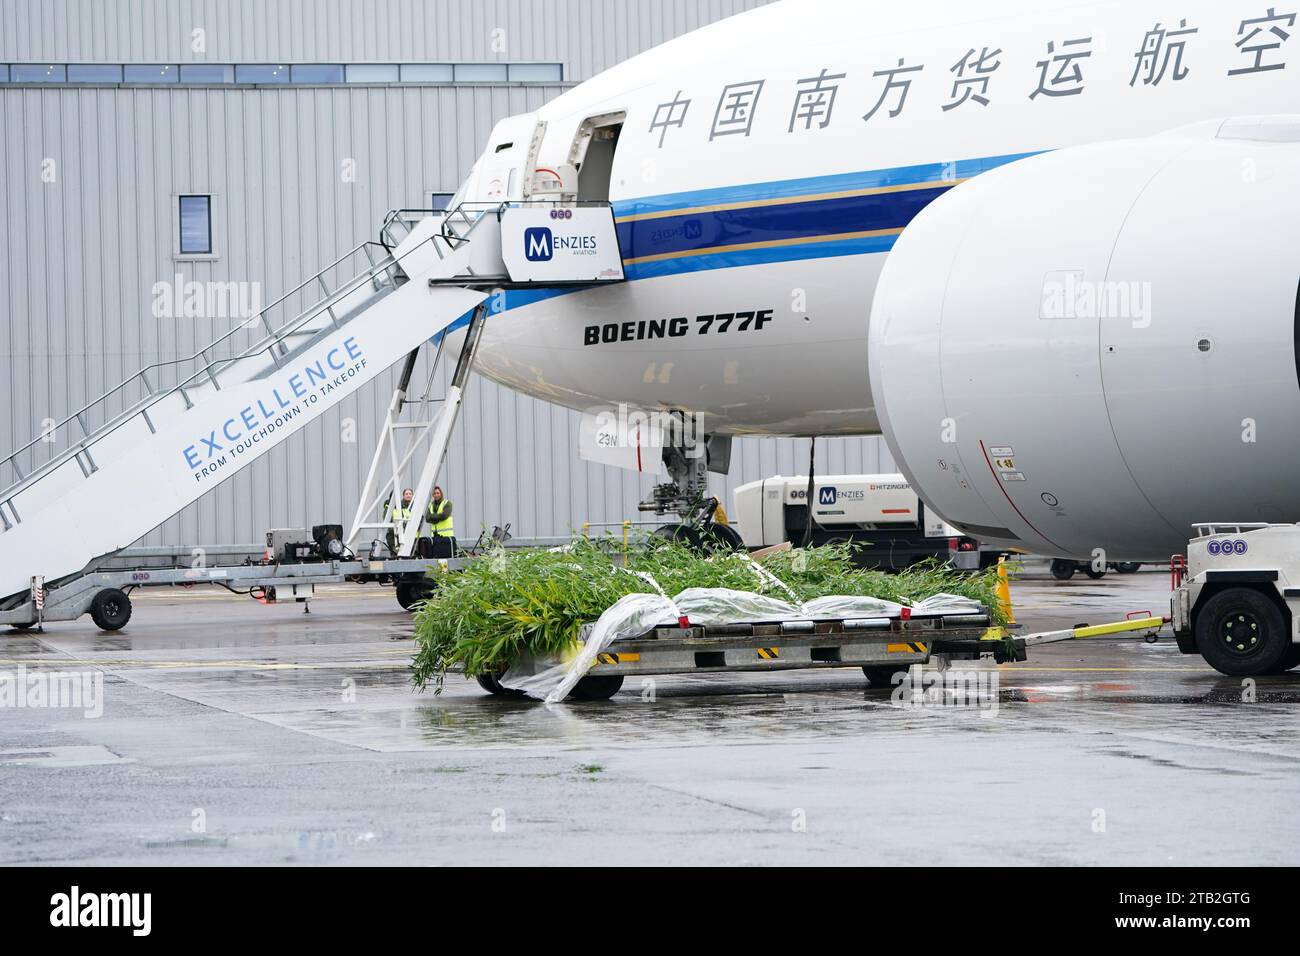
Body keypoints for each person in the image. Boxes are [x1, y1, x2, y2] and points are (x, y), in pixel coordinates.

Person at [382, 488, 415, 555]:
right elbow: (387, 522)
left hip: (407, 535)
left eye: (410, 494)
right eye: (407, 494)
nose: (408, 496)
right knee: (396, 555)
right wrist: (398, 531)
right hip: (394, 536)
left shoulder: (407, 507)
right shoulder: (392, 508)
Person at [426, 485, 455, 558]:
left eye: (438, 493)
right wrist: (438, 516)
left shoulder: (447, 503)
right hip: (435, 537)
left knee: (447, 558)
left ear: (441, 494)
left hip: (447, 537)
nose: (436, 495)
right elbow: (427, 518)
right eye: (434, 493)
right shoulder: (430, 505)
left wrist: (432, 516)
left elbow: (444, 516)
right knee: (437, 558)